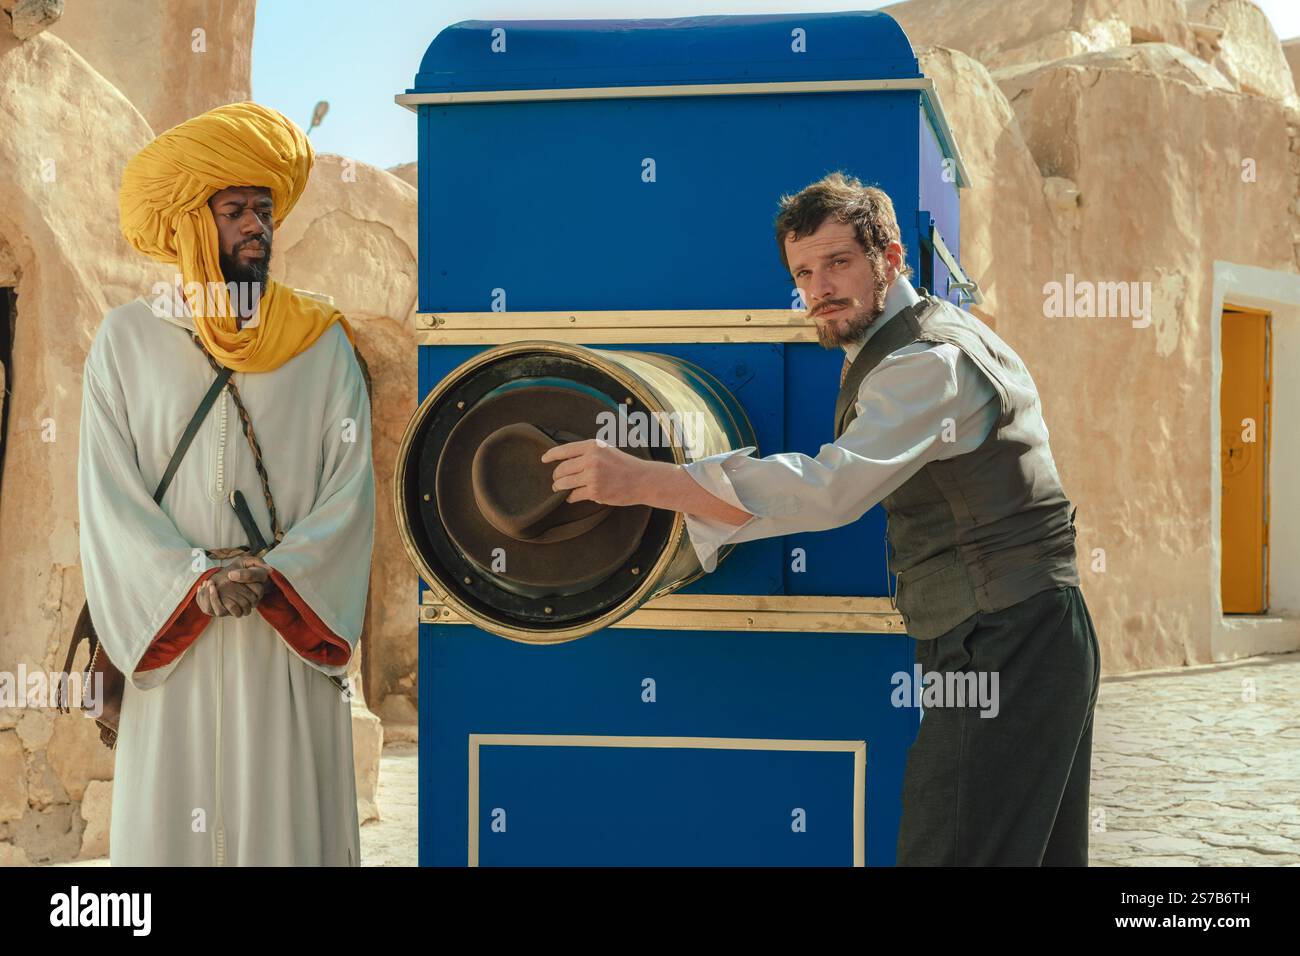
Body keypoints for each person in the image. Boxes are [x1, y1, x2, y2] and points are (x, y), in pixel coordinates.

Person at [542, 171, 1100, 866]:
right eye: (804, 272)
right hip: (1024, 630)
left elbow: (831, 490)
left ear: (890, 259)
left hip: (1005, 637)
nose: (820, 288)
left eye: (838, 263)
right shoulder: (915, 341)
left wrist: (646, 481)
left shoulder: (928, 363)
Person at [77, 101, 375, 866]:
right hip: (177, 636)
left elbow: (351, 491)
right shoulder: (128, 341)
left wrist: (274, 576)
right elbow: (108, 499)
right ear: (188, 225)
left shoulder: (321, 343)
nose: (256, 228)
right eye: (235, 210)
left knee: (286, 829)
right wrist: (192, 582)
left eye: (265, 211)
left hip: (282, 633)